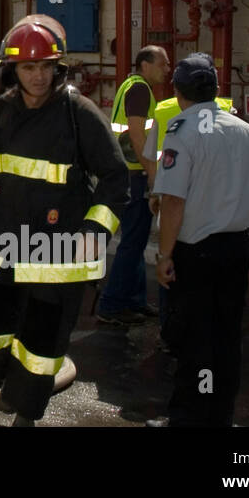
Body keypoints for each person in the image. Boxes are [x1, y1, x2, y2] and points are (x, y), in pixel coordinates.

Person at [0, 15, 129, 426]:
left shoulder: (80, 114)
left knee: (42, 342)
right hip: (8, 244)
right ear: (14, 71)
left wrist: (94, 233)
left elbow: (116, 178)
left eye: (45, 67)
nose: (38, 76)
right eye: (28, 67)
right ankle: (8, 384)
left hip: (59, 253)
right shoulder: (1, 113)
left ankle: (26, 411)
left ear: (58, 69)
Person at [150, 53, 249, 427]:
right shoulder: (243, 129)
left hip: (196, 251)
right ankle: (220, 415)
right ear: (215, 90)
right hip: (237, 248)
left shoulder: (182, 130)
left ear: (179, 92)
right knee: (227, 337)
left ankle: (187, 418)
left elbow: (172, 201)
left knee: (193, 338)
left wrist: (164, 255)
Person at [144, 89, 238, 340]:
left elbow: (152, 158)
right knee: (217, 294)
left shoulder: (164, 110)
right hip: (218, 215)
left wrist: (155, 191)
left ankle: (173, 334)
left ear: (178, 89)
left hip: (178, 209)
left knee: (173, 276)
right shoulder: (228, 113)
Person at [98, 45, 170, 325]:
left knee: (136, 240)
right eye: (162, 64)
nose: (167, 69)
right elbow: (138, 136)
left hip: (127, 173)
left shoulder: (130, 85)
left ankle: (135, 300)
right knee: (132, 242)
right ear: (144, 65)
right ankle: (112, 304)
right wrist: (152, 173)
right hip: (136, 175)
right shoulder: (140, 90)